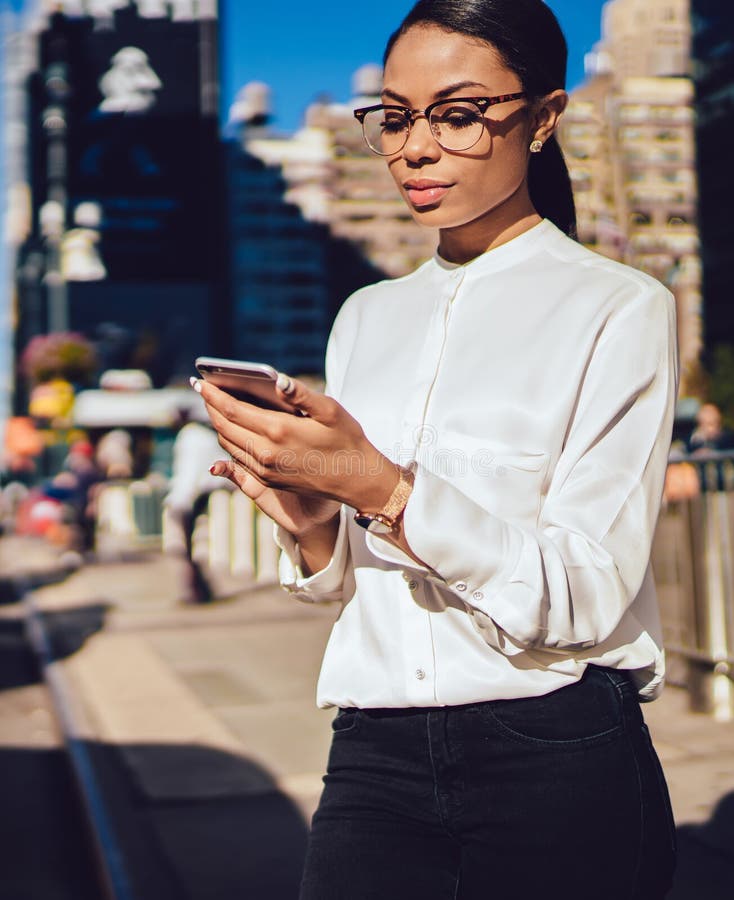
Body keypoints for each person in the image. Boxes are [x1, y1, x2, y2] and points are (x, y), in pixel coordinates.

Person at [194, 2, 678, 896]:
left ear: (543, 118)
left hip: (554, 743)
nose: (415, 148)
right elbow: (351, 583)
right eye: (395, 117)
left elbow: (586, 593)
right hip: (373, 748)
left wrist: (383, 487)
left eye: (458, 115)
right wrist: (310, 517)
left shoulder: (618, 306)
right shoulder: (364, 316)